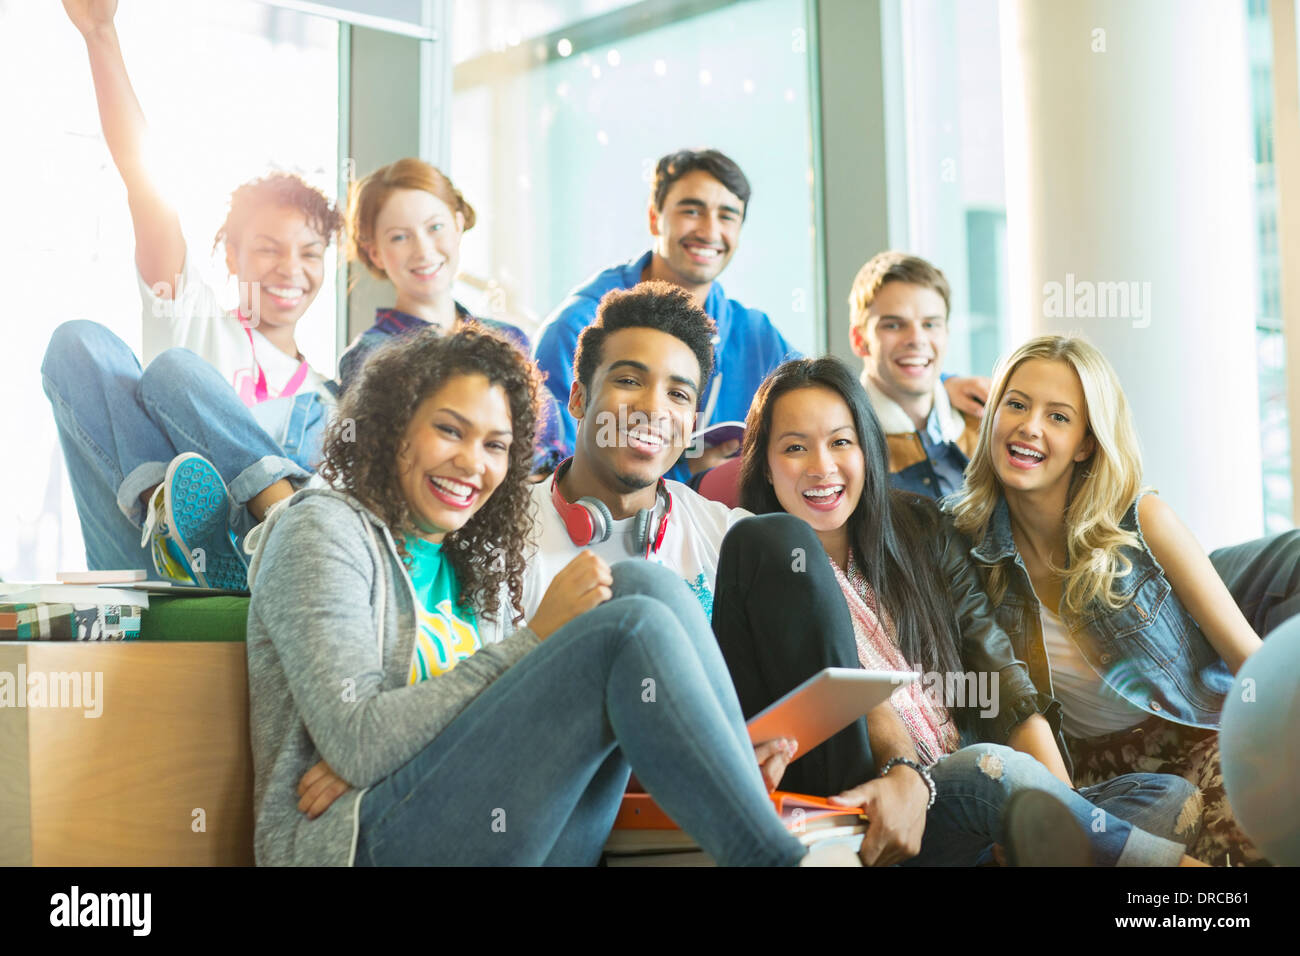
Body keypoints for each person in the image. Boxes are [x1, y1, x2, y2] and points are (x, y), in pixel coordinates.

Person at [245, 325, 849, 866]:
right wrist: (534, 642)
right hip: (359, 845)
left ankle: (740, 782)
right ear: (392, 426)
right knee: (627, 627)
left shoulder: (467, 554)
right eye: (449, 430)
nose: (470, 462)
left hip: (498, 821)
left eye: (495, 445)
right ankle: (774, 861)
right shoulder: (321, 529)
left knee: (646, 585)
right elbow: (361, 743)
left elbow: (476, 723)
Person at [717, 355, 1204, 866]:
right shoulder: (759, 561)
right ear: (765, 467)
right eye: (795, 448)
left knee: (1164, 797)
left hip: (976, 808)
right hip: (883, 818)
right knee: (987, 770)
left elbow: (997, 674)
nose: (822, 466)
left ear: (867, 450)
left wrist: (1059, 805)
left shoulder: (922, 529)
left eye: (842, 442)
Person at [949, 333, 1300, 865]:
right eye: (1016, 405)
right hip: (1094, 778)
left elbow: (1249, 661)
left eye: (1059, 416)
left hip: (1204, 739)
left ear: (1087, 443)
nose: (1030, 426)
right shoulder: (963, 549)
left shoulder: (1143, 521)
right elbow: (1004, 707)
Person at [46, 0, 343, 588]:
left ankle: (279, 526)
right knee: (86, 345)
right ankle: (171, 523)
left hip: (273, 569)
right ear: (229, 256)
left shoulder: (329, 401)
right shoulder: (197, 321)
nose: (291, 268)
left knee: (177, 373)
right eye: (268, 248)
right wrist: (101, 37)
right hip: (150, 563)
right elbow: (145, 189)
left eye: (310, 253)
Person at [338, 158, 564, 471]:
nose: (423, 250)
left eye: (435, 227)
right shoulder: (371, 357)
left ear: (458, 225)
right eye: (399, 237)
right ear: (374, 251)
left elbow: (551, 449)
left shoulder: (510, 339)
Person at [848, 251, 982, 499]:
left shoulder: (986, 426)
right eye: (894, 325)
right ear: (859, 340)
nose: (916, 340)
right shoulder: (844, 442)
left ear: (946, 334)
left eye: (930, 324)